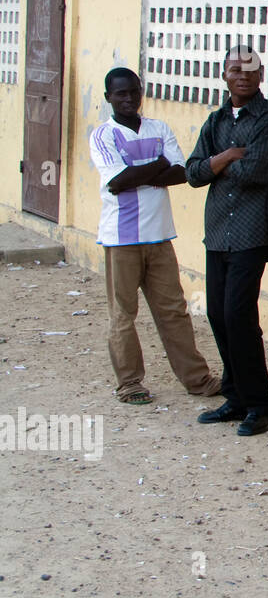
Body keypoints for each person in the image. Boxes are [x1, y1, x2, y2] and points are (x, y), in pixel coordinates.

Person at [89, 68, 219, 405]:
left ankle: (197, 379)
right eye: (121, 93)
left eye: (134, 91)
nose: (129, 98)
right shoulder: (103, 135)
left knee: (173, 311)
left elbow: (181, 173)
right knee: (123, 314)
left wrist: (137, 173)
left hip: (159, 236)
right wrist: (157, 164)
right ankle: (129, 384)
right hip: (121, 239)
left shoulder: (158, 128)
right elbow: (117, 181)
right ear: (108, 97)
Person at [185, 46, 268, 437]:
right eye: (235, 69)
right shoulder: (215, 121)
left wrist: (217, 163)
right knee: (217, 314)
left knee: (238, 316)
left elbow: (255, 173)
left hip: (253, 231)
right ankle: (236, 398)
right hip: (218, 231)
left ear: (260, 75)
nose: (243, 76)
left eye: (250, 70)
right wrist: (229, 155)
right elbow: (192, 172)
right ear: (225, 75)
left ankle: (261, 406)